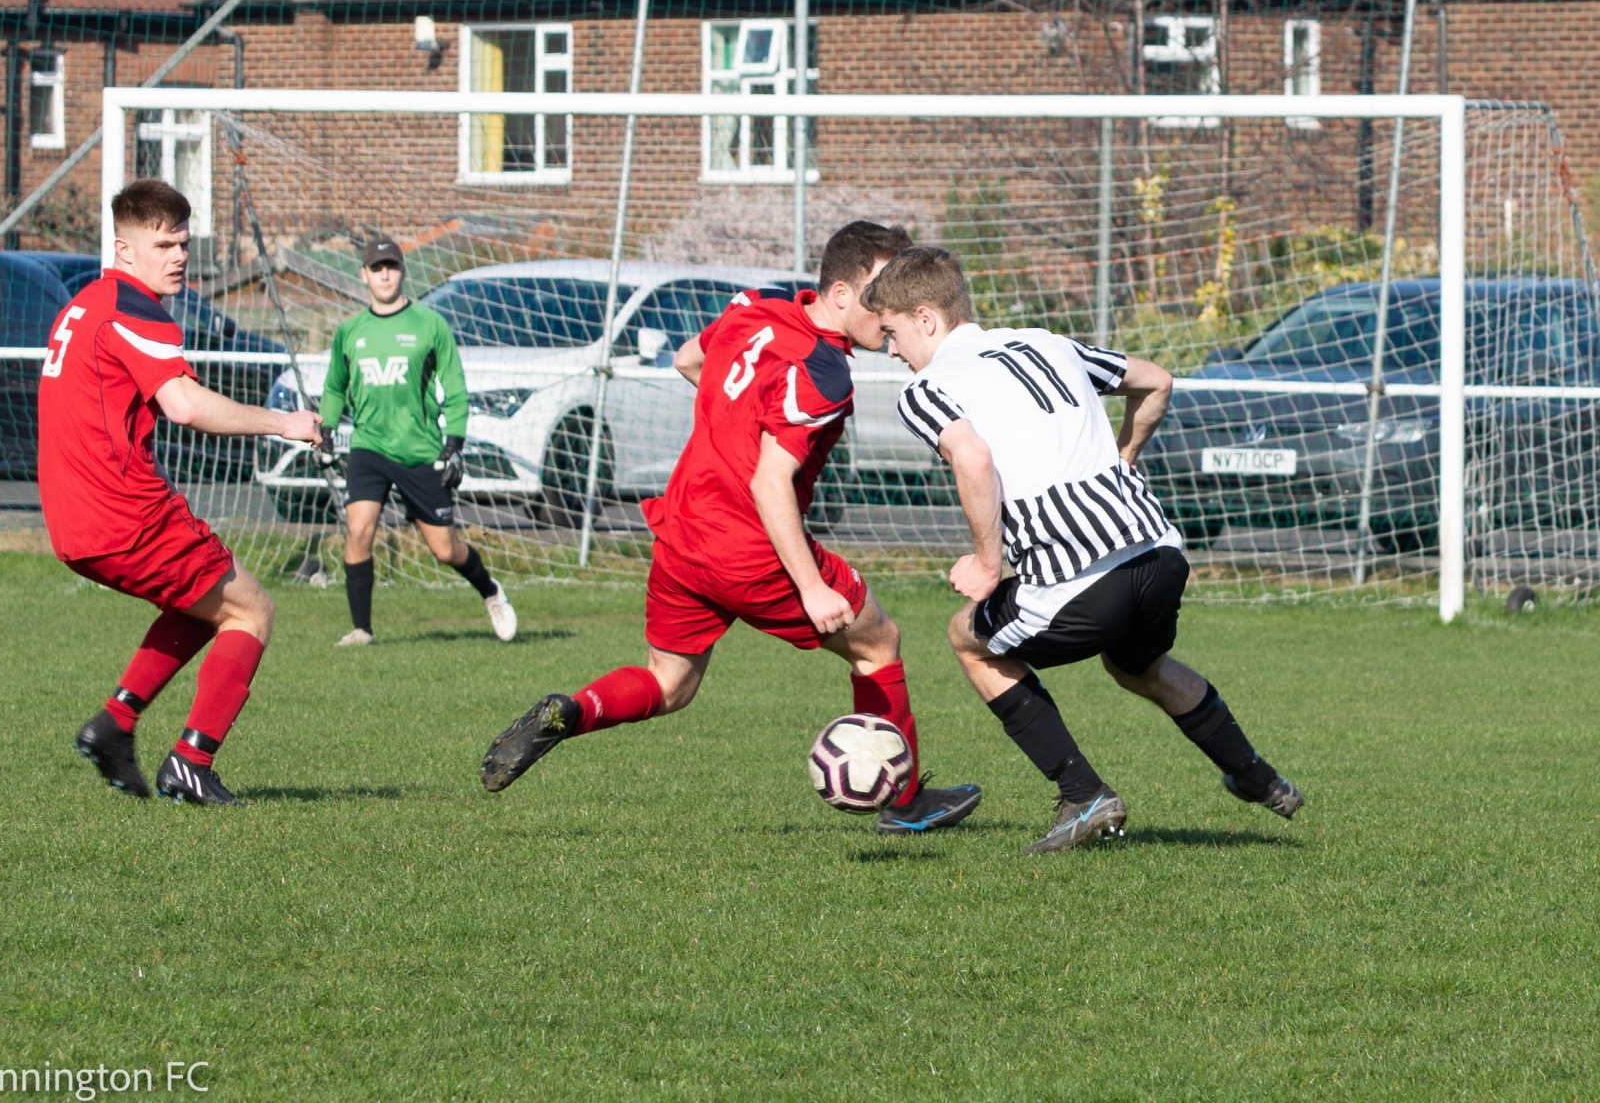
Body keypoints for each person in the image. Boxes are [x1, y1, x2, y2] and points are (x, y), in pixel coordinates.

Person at [480, 221, 983, 835]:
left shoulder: (754, 310)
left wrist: (737, 420)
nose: (891, 304)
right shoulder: (824, 372)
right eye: (881, 288)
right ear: (844, 293)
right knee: (878, 642)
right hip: (752, 547)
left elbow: (689, 358)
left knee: (670, 684)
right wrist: (810, 586)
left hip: (681, 529)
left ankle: (572, 710)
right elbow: (770, 484)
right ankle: (902, 804)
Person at [861, 246, 1304, 853]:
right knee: (1137, 667)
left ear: (926, 318)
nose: (889, 349)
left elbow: (973, 458)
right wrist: (1123, 461)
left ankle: (1082, 794)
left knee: (968, 637)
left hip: (1079, 579)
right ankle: (1257, 776)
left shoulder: (928, 386)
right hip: (1160, 552)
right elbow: (1156, 381)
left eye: (891, 332)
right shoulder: (1046, 342)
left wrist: (989, 564)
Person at [44, 178, 323, 807]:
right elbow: (185, 405)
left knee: (205, 605)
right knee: (251, 611)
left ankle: (114, 724)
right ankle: (191, 764)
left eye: (183, 244)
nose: (177, 257)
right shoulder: (137, 309)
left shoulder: (83, 303)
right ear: (123, 251)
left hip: (72, 521)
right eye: (163, 244)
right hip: (125, 511)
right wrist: (287, 423)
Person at [319, 234, 516, 647]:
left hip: (420, 451)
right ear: (364, 275)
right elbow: (335, 388)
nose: (384, 274)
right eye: (376, 268)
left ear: (402, 270)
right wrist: (327, 428)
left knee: (445, 550)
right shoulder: (350, 331)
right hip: (369, 448)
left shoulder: (430, 325)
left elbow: (456, 388)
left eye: (390, 266)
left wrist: (454, 443)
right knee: (358, 530)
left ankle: (490, 590)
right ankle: (362, 629)